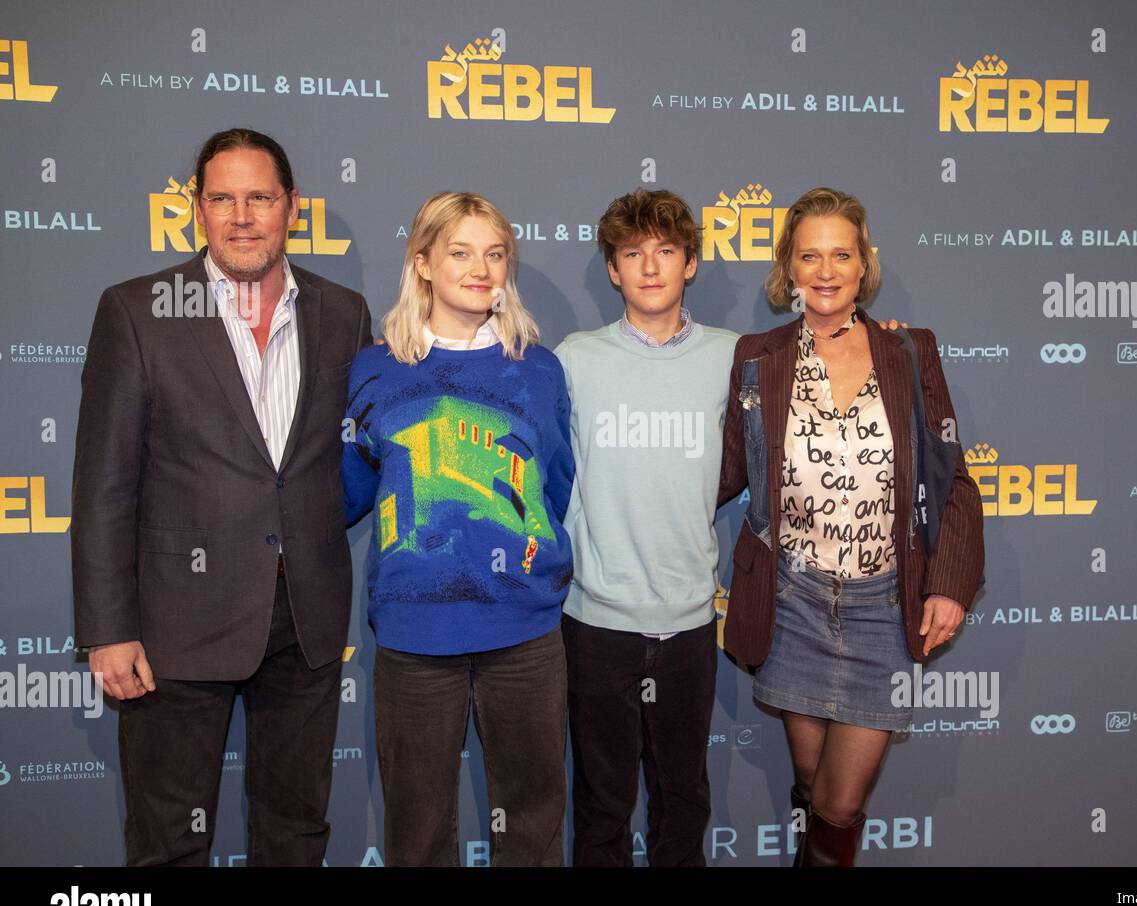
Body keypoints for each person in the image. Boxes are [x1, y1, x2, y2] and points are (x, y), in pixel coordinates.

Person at [72, 128, 374, 865]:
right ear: (198, 209)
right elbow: (104, 483)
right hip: (176, 620)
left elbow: (346, 459)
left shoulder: (344, 313)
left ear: (292, 207)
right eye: (223, 198)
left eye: (260, 197)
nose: (243, 216)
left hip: (303, 618)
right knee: (169, 839)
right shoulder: (139, 310)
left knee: (296, 832)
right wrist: (108, 628)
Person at [718, 186, 984, 866]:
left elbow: (949, 475)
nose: (827, 270)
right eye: (810, 255)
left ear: (865, 264)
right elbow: (725, 474)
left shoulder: (909, 354)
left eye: (842, 254)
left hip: (881, 607)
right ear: (789, 267)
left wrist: (948, 585)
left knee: (839, 802)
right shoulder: (758, 356)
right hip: (793, 601)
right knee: (810, 785)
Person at [342, 192, 573, 867]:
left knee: (532, 829)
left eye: (495, 253)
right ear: (422, 263)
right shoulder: (376, 369)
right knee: (416, 834)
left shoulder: (538, 368)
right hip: (416, 637)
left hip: (525, 632)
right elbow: (355, 488)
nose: (481, 269)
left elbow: (555, 487)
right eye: (460, 252)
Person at [555, 189, 738, 866]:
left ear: (690, 263)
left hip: (690, 622)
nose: (651, 267)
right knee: (602, 808)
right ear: (613, 269)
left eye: (666, 251)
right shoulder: (574, 359)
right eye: (633, 254)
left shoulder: (733, 356)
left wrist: (877, 334)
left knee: (683, 802)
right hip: (596, 621)